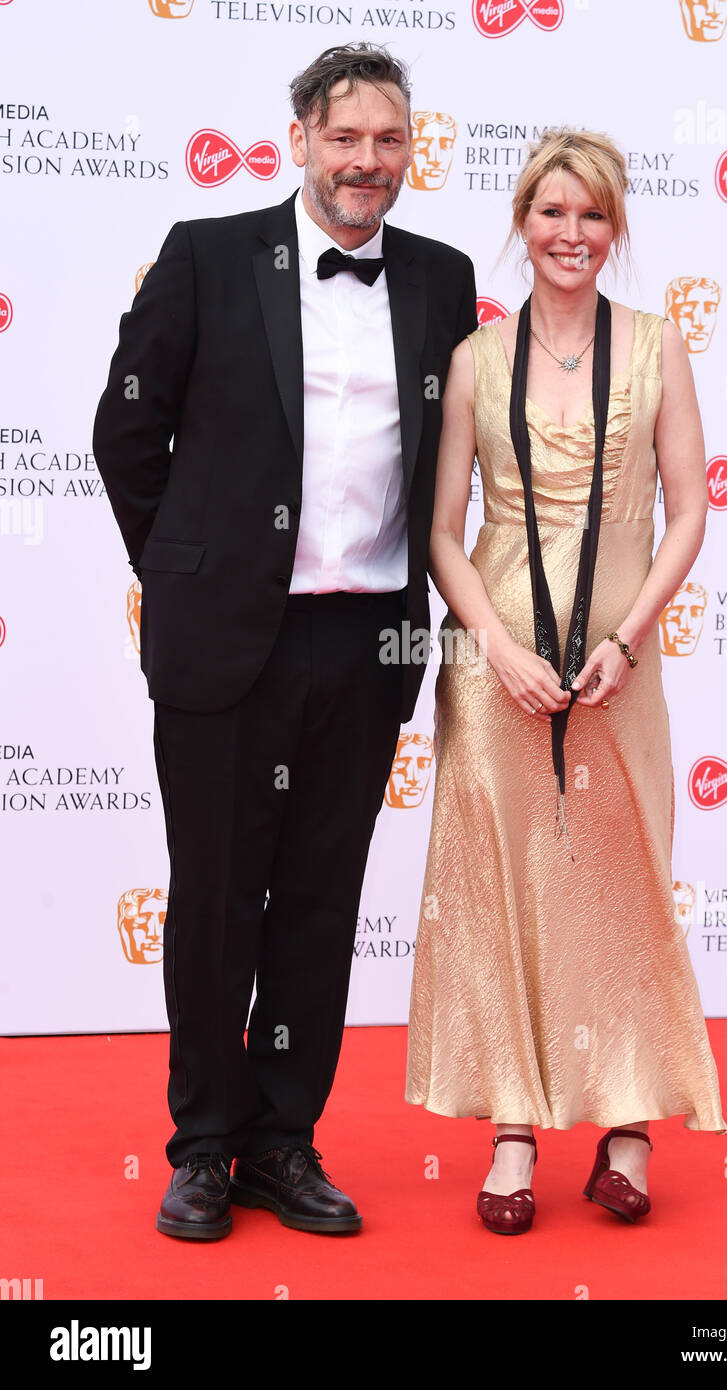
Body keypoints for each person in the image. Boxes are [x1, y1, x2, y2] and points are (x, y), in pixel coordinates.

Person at [92, 42, 477, 1240]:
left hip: (364, 645)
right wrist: (185, 566)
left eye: (388, 140)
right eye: (345, 137)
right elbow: (125, 432)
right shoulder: (206, 256)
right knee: (214, 902)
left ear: (410, 151)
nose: (367, 161)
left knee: (318, 902)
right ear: (298, 138)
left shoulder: (441, 278)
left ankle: (281, 1140)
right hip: (226, 643)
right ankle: (203, 1146)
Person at [405, 127, 727, 1234]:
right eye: (551, 212)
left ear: (615, 226)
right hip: (495, 657)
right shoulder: (475, 359)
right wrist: (494, 647)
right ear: (522, 222)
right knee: (499, 881)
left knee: (620, 876)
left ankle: (627, 1121)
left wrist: (628, 640)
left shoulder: (656, 346)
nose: (571, 233)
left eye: (591, 214)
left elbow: (688, 510)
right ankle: (511, 1125)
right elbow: (442, 531)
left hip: (617, 657)